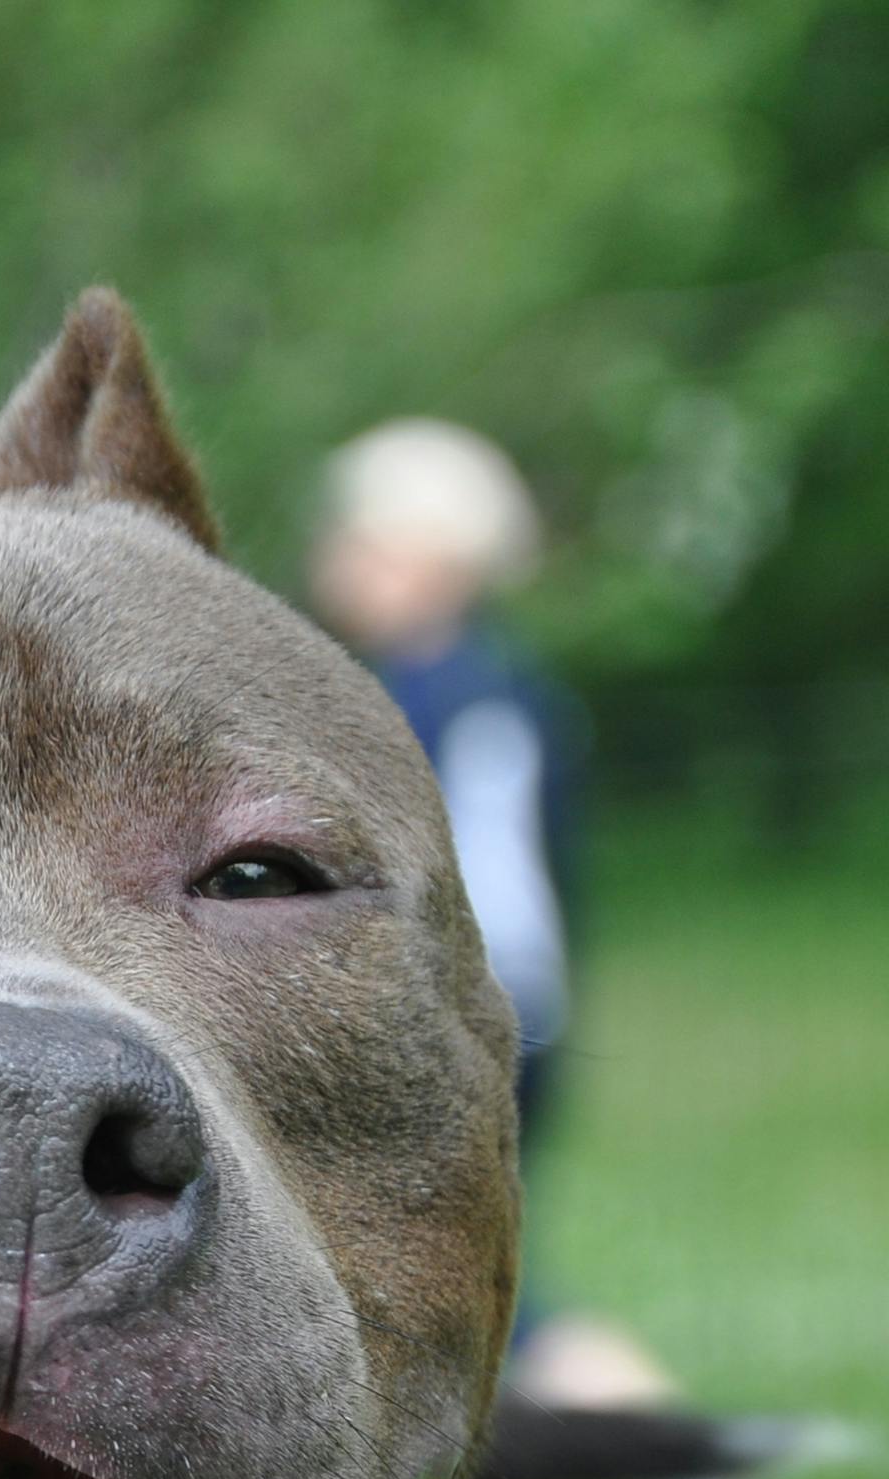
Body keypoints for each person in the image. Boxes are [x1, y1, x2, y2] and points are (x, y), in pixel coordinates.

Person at [309, 418, 671, 1413]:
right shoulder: (512, 689)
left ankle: (663, 1451)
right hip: (521, 1016)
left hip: (462, 1017)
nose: (331, 555)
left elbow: (482, 890)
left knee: (455, 1280)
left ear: (427, 560)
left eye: (358, 536)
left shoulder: (428, 705)